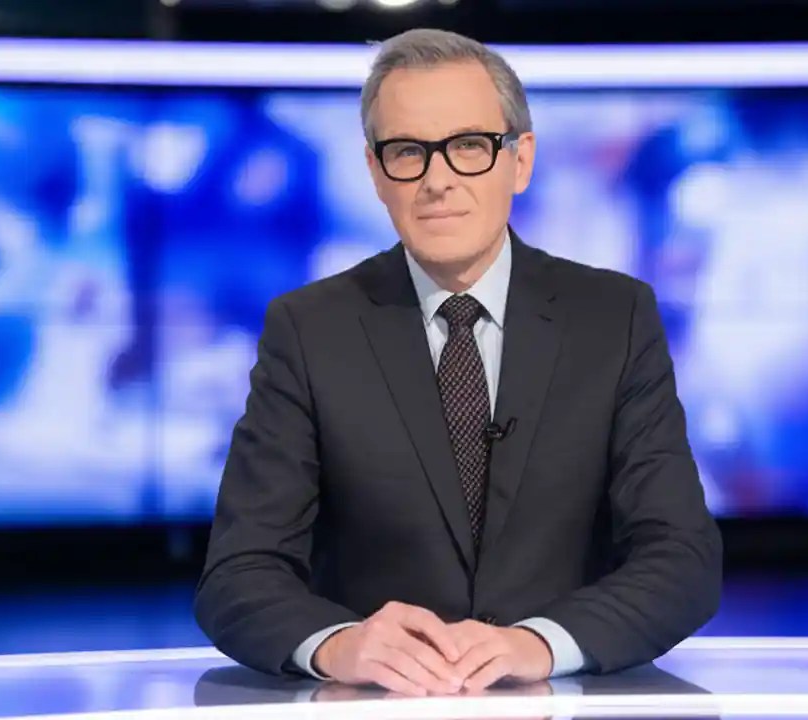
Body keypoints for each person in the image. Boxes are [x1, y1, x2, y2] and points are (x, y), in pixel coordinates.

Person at [194, 27, 722, 697]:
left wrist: (538, 643)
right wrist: (341, 645)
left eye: (469, 147)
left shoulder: (613, 319)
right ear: (376, 173)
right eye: (407, 152)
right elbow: (238, 576)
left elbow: (682, 560)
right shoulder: (308, 329)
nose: (437, 180)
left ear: (520, 160)